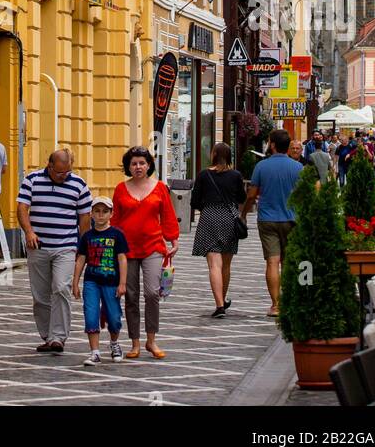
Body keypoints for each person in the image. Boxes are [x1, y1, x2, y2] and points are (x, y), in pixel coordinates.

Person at [17, 148, 91, 353]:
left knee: (61, 287)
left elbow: (85, 218)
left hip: (66, 246)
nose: (63, 176)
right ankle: (48, 336)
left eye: (67, 172)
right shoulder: (32, 180)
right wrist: (29, 232)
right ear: (49, 166)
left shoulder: (79, 185)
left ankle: (58, 337)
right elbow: (22, 208)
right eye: (59, 172)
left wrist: (82, 247)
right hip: (38, 246)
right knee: (40, 295)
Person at [111, 146, 180, 359]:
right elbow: (114, 220)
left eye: (142, 163)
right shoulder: (121, 189)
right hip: (126, 249)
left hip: (153, 246)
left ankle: (151, 340)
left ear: (149, 165)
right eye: (134, 164)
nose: (138, 167)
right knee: (131, 296)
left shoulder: (159, 188)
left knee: (152, 292)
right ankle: (135, 343)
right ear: (128, 167)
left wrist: (173, 240)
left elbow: (168, 214)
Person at [241, 128, 303, 317]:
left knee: (272, 262)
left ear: (273, 145)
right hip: (292, 219)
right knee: (290, 262)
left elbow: (252, 195)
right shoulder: (298, 168)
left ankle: (275, 305)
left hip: (268, 219)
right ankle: (290, 301)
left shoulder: (262, 166)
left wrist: (243, 214)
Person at [190, 142, 247, 317]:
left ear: (213, 154)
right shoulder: (236, 175)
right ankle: (222, 297)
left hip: (209, 217)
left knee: (214, 264)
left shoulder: (204, 175)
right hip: (229, 218)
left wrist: (206, 209)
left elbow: (195, 201)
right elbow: (242, 197)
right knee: (226, 264)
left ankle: (219, 305)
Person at [72, 196, 129, 366]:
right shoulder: (87, 236)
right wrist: (75, 282)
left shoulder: (117, 235)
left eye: (105, 211)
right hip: (92, 282)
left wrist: (123, 283)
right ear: (91, 214)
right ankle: (95, 352)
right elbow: (81, 259)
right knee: (91, 315)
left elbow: (122, 259)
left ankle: (114, 343)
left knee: (114, 317)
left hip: (111, 282)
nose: (101, 215)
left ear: (111, 214)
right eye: (97, 211)